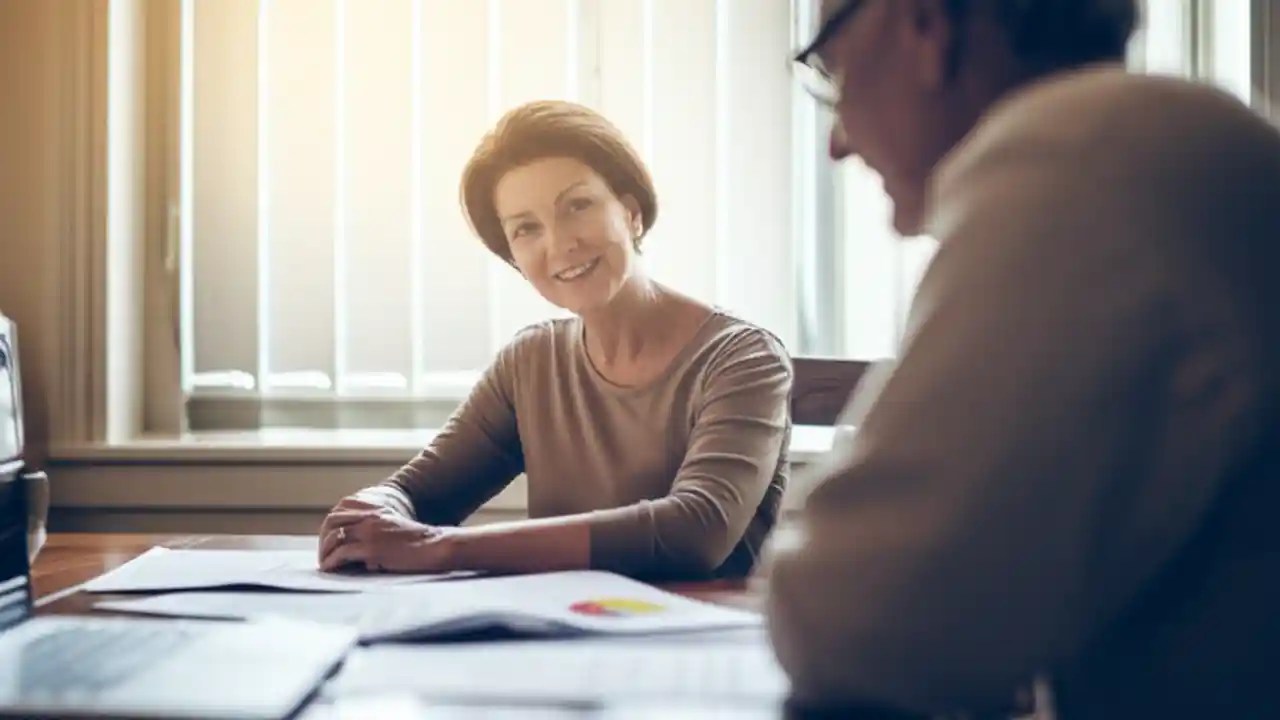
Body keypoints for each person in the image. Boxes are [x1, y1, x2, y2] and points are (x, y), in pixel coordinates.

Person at [765, 0, 1280, 717]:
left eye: (835, 69)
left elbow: (859, 621)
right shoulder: (1178, 145)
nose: (838, 141)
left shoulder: (1083, 159)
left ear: (924, 28)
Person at [317, 100, 792, 581]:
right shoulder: (529, 363)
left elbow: (696, 531)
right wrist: (376, 508)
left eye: (578, 206)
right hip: (559, 637)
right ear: (514, 258)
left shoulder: (744, 359)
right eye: (526, 229)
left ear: (630, 213)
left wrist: (444, 550)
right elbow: (421, 494)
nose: (560, 243)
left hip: (703, 641)